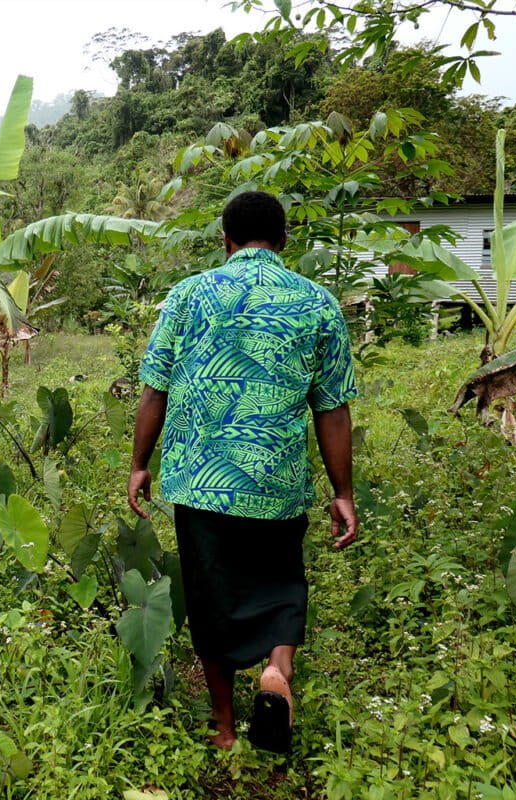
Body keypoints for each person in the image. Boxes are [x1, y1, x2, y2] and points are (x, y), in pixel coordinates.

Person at [127, 190, 359, 753]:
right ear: (284, 240)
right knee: (281, 584)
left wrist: (138, 464)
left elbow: (154, 391)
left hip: (201, 482)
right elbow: (332, 408)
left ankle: (226, 728)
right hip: (275, 480)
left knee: (211, 599)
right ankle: (277, 668)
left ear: (225, 240)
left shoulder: (188, 295)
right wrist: (343, 491)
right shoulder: (318, 302)